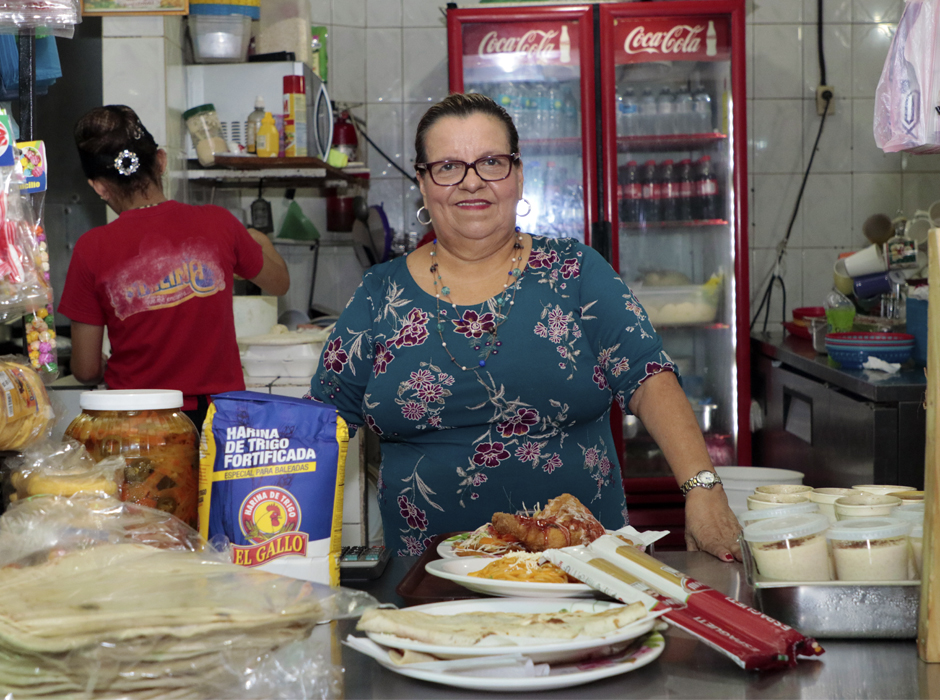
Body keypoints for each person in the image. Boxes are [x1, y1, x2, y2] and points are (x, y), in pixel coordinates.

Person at [309, 93, 741, 561]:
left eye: (490, 162)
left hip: (583, 575)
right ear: (423, 182)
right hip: (427, 587)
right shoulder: (379, 295)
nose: (471, 183)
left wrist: (703, 488)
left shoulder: (575, 272)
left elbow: (648, 377)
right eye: (449, 166)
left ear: (517, 175)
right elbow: (322, 423)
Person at [59, 105, 290, 428]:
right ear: (162, 161)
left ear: (98, 186)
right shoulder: (218, 223)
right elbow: (279, 282)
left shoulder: (90, 248)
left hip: (137, 424)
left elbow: (85, 371)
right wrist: (257, 240)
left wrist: (99, 362)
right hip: (219, 422)